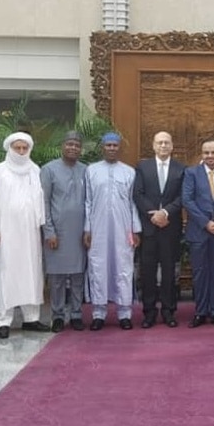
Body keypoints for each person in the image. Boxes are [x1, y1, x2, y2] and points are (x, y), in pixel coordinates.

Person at [0, 132, 50, 339]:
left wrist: (41, 226)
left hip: (29, 233)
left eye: (24, 148)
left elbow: (39, 201)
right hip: (6, 233)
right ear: (9, 149)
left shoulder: (34, 170)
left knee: (31, 273)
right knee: (6, 276)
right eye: (17, 148)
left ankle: (31, 318)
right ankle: (3, 321)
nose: (21, 152)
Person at [84, 133, 142, 331]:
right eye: (108, 145)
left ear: (119, 148)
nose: (111, 148)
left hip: (123, 228)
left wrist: (135, 229)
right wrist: (87, 229)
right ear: (102, 147)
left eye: (114, 145)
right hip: (98, 228)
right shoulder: (91, 171)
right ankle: (98, 313)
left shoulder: (129, 172)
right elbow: (88, 202)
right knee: (98, 267)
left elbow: (133, 203)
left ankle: (124, 313)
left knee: (123, 267)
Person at [133, 131, 186, 329]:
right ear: (153, 146)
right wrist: (152, 215)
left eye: (166, 143)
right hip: (149, 228)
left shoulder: (181, 169)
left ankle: (168, 311)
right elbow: (138, 194)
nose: (163, 146)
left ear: (172, 146)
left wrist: (165, 213)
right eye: (159, 143)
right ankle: (149, 312)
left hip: (170, 227)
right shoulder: (142, 167)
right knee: (147, 271)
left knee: (169, 272)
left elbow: (183, 197)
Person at [40, 131, 89, 333]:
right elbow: (43, 203)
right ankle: (58, 315)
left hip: (79, 232)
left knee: (78, 275)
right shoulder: (48, 170)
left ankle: (76, 314)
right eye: (69, 144)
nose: (73, 148)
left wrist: (88, 229)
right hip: (57, 232)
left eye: (77, 145)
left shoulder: (86, 170)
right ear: (62, 146)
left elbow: (90, 202)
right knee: (57, 277)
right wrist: (49, 232)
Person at [183, 139, 214, 328]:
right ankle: (200, 312)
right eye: (206, 153)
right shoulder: (191, 173)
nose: (210, 156)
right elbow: (187, 200)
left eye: (213, 152)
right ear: (202, 154)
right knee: (200, 273)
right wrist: (206, 223)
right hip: (199, 232)